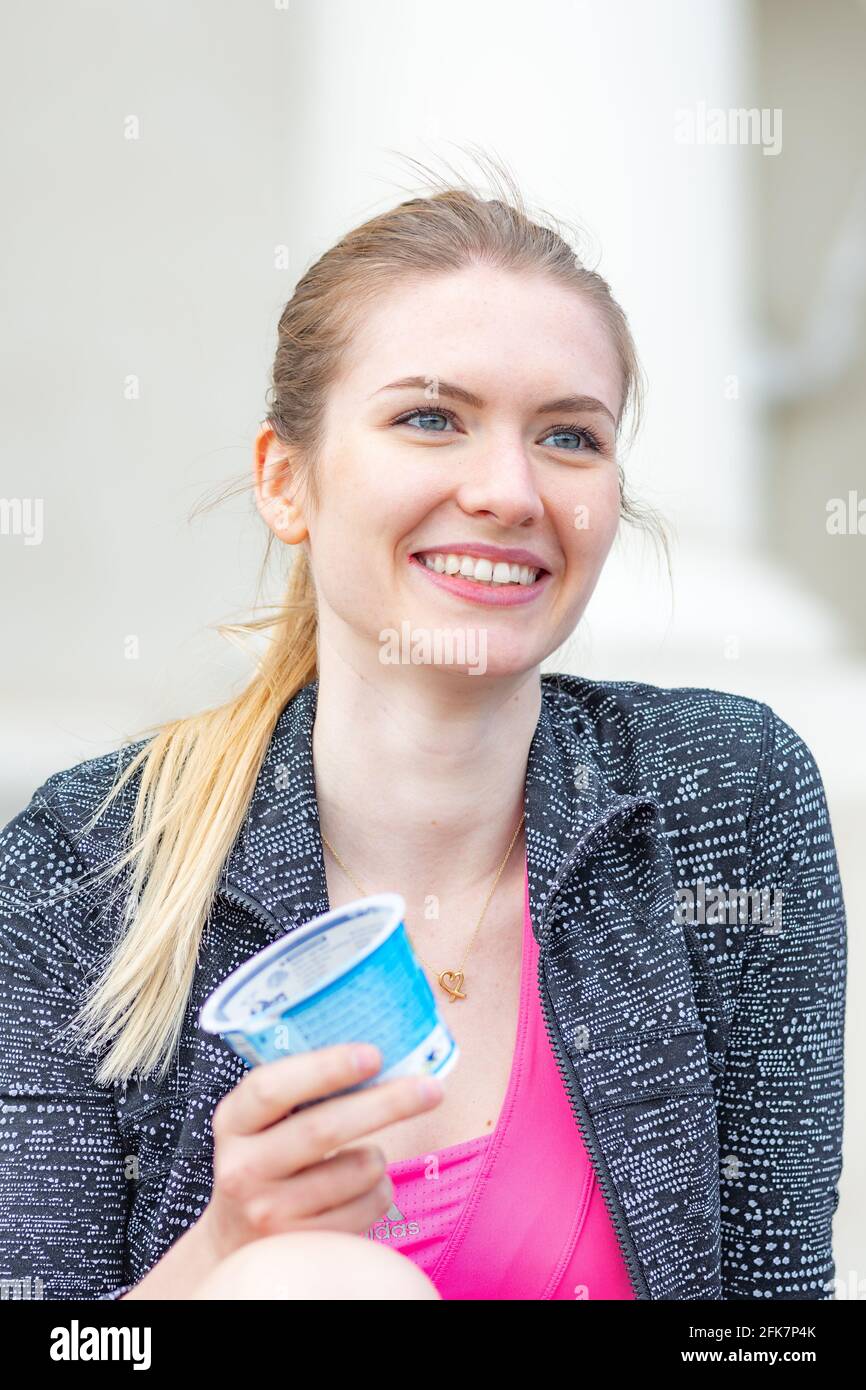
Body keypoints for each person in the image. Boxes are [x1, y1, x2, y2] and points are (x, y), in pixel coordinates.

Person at [0, 157, 846, 1301]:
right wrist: (223, 1247)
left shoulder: (722, 795)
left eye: (567, 436)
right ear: (284, 479)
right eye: (430, 417)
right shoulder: (91, 861)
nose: (506, 490)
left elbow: (773, 1316)